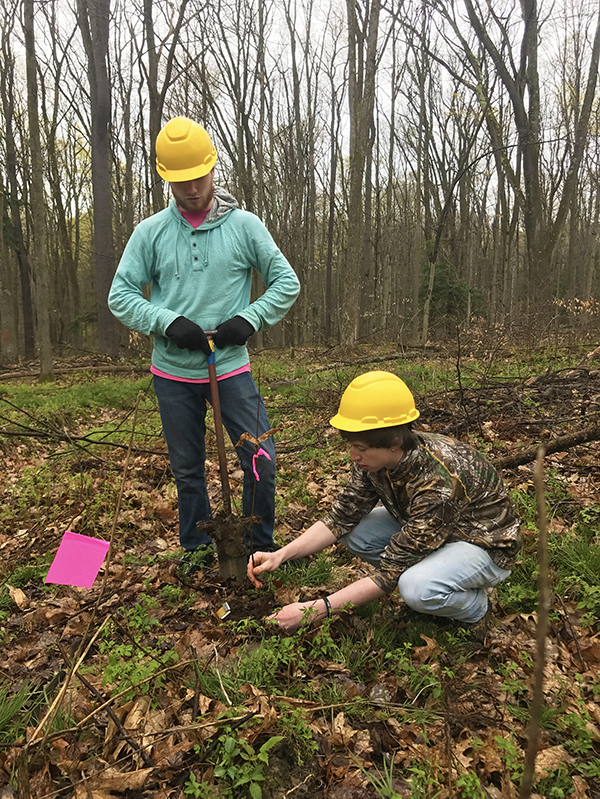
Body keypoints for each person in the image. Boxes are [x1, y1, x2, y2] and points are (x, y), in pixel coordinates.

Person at [108, 116, 300, 569]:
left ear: (213, 168)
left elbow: (286, 282)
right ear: (167, 178)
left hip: (230, 367)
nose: (192, 188)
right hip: (173, 372)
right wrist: (167, 321)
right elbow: (121, 295)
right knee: (188, 469)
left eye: (199, 176)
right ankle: (196, 550)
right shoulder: (151, 232)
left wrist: (249, 319)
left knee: (260, 458)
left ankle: (257, 547)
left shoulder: (245, 226)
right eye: (181, 180)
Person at [248, 371, 522, 638]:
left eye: (361, 448)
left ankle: (476, 608)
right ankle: (436, 580)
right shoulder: (374, 461)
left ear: (394, 442)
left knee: (416, 588)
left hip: (483, 544)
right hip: (429, 530)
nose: (353, 456)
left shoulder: (438, 480)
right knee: (355, 531)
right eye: (352, 446)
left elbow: (391, 572)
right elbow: (341, 516)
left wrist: (316, 610)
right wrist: (281, 555)